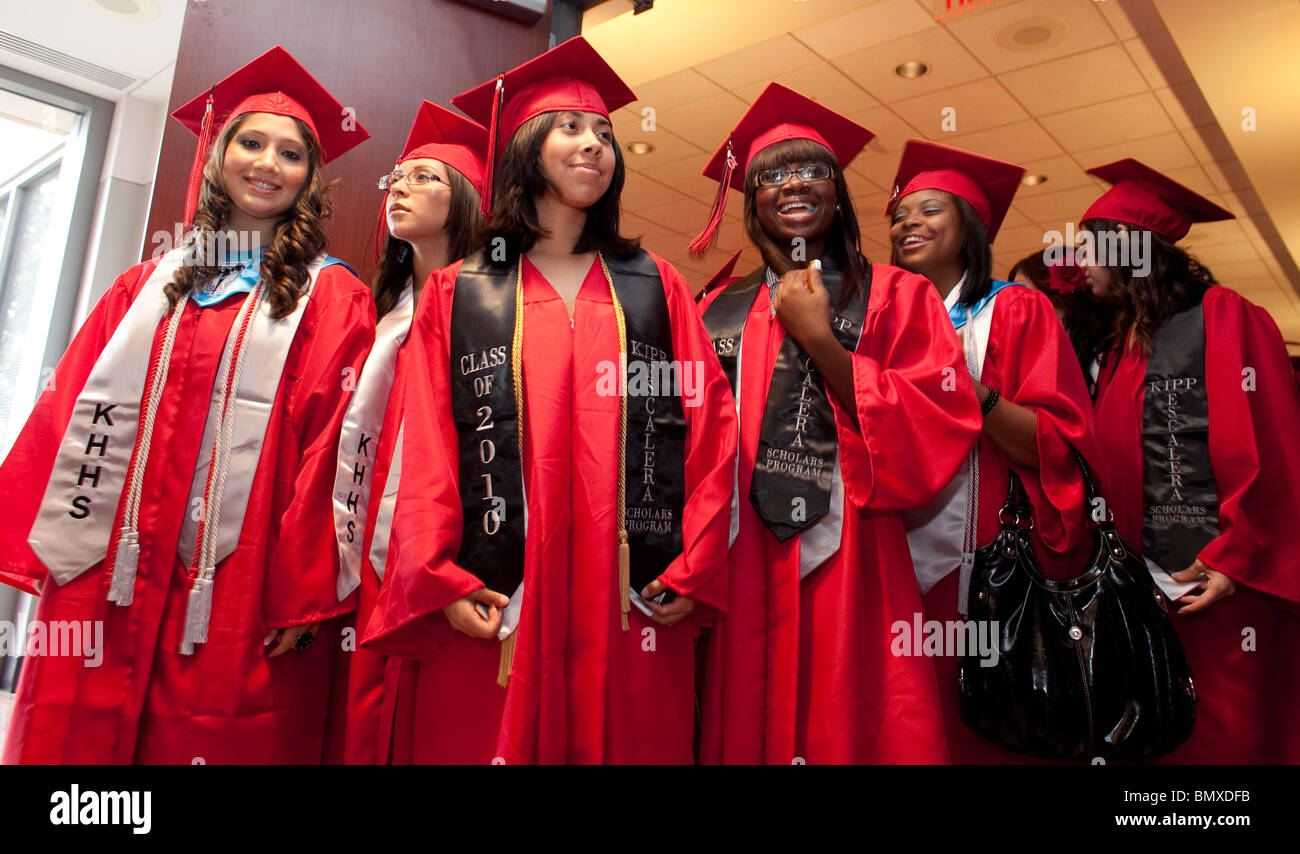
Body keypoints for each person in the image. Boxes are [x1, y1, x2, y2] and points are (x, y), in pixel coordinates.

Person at [360, 36, 737, 764]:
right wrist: (439, 577)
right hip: (501, 590)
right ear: (526, 148)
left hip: (628, 587)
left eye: (605, 134)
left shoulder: (656, 286)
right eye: (571, 127)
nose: (595, 144)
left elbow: (710, 428)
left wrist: (694, 563)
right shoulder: (462, 290)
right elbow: (427, 443)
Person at [0, 46, 375, 764]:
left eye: (291, 153)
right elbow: (73, 408)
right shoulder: (146, 285)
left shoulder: (332, 298)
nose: (268, 163)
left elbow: (334, 447)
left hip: (236, 576)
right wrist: (54, 535)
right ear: (218, 154)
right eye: (251, 142)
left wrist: (304, 593)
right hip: (112, 560)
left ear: (309, 178)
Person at [691, 85, 982, 764]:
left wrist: (823, 342)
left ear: (839, 193)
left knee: (849, 723)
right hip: (739, 556)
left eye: (812, 170)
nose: (793, 185)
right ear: (750, 199)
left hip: (855, 558)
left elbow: (938, 419)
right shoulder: (716, 308)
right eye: (771, 175)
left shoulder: (901, 294)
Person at [1080, 158, 1300, 763]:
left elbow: (1271, 444)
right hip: (1143, 586)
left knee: (1226, 736)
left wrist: (1236, 557)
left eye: (1090, 250)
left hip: (1217, 581)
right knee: (1160, 734)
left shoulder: (1224, 317)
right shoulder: (1127, 342)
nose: (1079, 266)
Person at [888, 139, 1098, 763]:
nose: (907, 225)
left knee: (985, 725)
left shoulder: (1016, 310)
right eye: (898, 216)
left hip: (989, 566)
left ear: (970, 226)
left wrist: (968, 389)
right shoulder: (883, 322)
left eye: (928, 210)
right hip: (895, 561)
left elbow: (1054, 446)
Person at [326, 102, 486, 764]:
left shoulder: (491, 313)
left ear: (469, 204)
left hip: (449, 554)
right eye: (397, 176)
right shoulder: (381, 314)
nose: (401, 187)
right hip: (372, 550)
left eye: (426, 177)